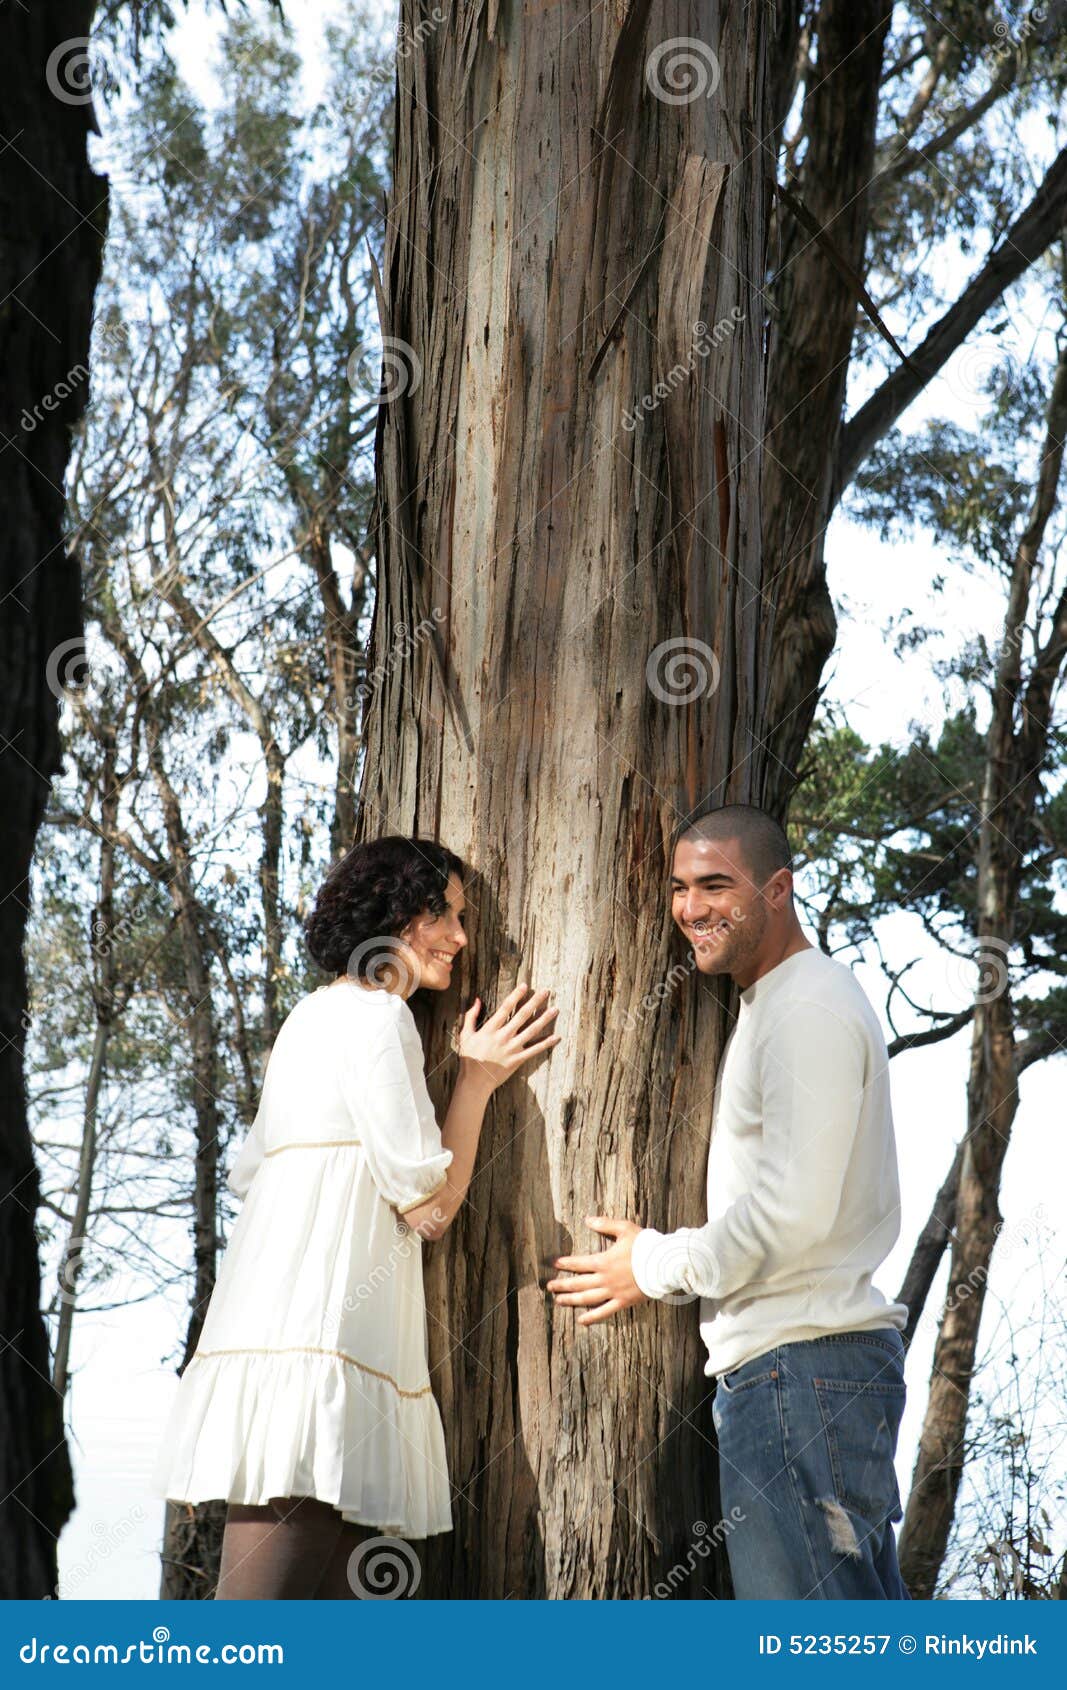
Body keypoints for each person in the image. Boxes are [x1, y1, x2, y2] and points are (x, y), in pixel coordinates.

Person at [152, 835, 559, 1599]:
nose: (461, 939)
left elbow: (253, 1172)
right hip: (327, 1341)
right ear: (394, 914)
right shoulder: (378, 1019)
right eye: (444, 915)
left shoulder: (307, 1020)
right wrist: (474, 1083)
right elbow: (430, 1210)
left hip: (288, 1332)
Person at [546, 803, 912, 1600]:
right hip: (807, 1375)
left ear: (777, 890)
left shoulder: (805, 1006)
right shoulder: (776, 1003)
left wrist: (656, 1263)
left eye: (716, 884)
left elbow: (792, 1211)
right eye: (680, 888)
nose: (690, 908)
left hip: (801, 1371)